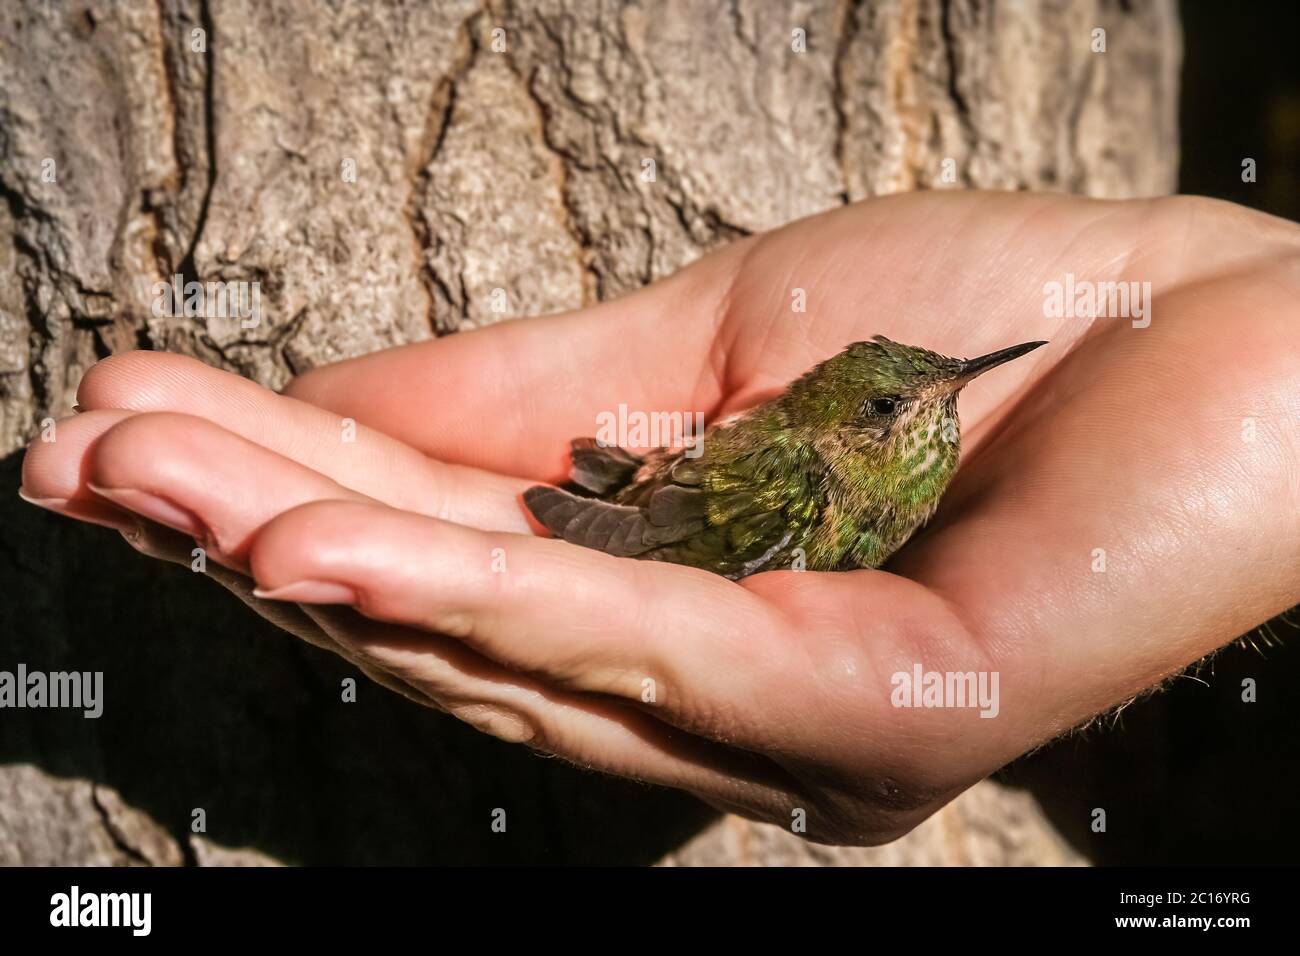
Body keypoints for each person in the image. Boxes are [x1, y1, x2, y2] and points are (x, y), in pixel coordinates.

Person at [19, 191, 1300, 845]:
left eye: (939, 389)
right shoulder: (800, 479)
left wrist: (1208, 301)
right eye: (910, 399)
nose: (940, 405)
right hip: (701, 516)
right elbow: (708, 540)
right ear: (852, 425)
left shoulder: (922, 449)